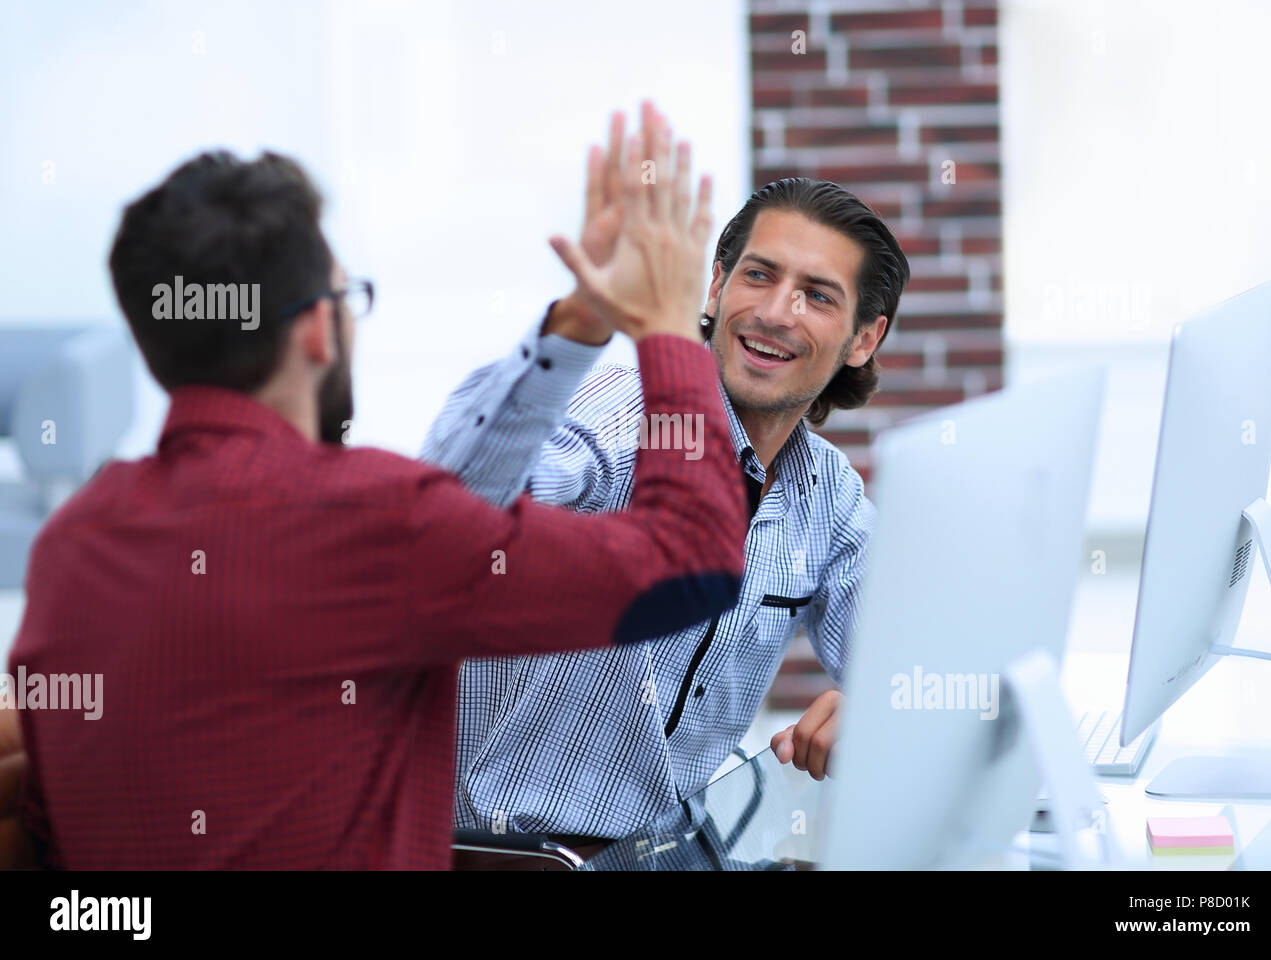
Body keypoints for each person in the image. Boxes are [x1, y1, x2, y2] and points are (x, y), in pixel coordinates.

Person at [4, 103, 747, 869]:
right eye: (347, 295)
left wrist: (580, 321)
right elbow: (692, 559)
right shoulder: (375, 520)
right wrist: (663, 327)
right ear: (319, 329)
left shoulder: (70, 546)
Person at [423, 146, 911, 853]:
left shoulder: (826, 496)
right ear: (714, 288)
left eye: (818, 295)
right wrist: (581, 319)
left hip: (666, 857)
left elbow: (923, 667)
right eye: (759, 275)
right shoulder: (623, 412)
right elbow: (449, 506)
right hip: (500, 859)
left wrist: (886, 707)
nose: (776, 312)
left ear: (865, 338)